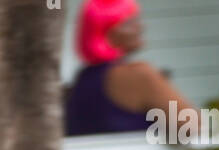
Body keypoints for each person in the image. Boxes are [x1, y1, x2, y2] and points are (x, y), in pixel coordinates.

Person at [66, 0, 199, 138]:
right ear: (108, 30)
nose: (141, 27)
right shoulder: (138, 75)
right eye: (130, 22)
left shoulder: (83, 79)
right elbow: (194, 126)